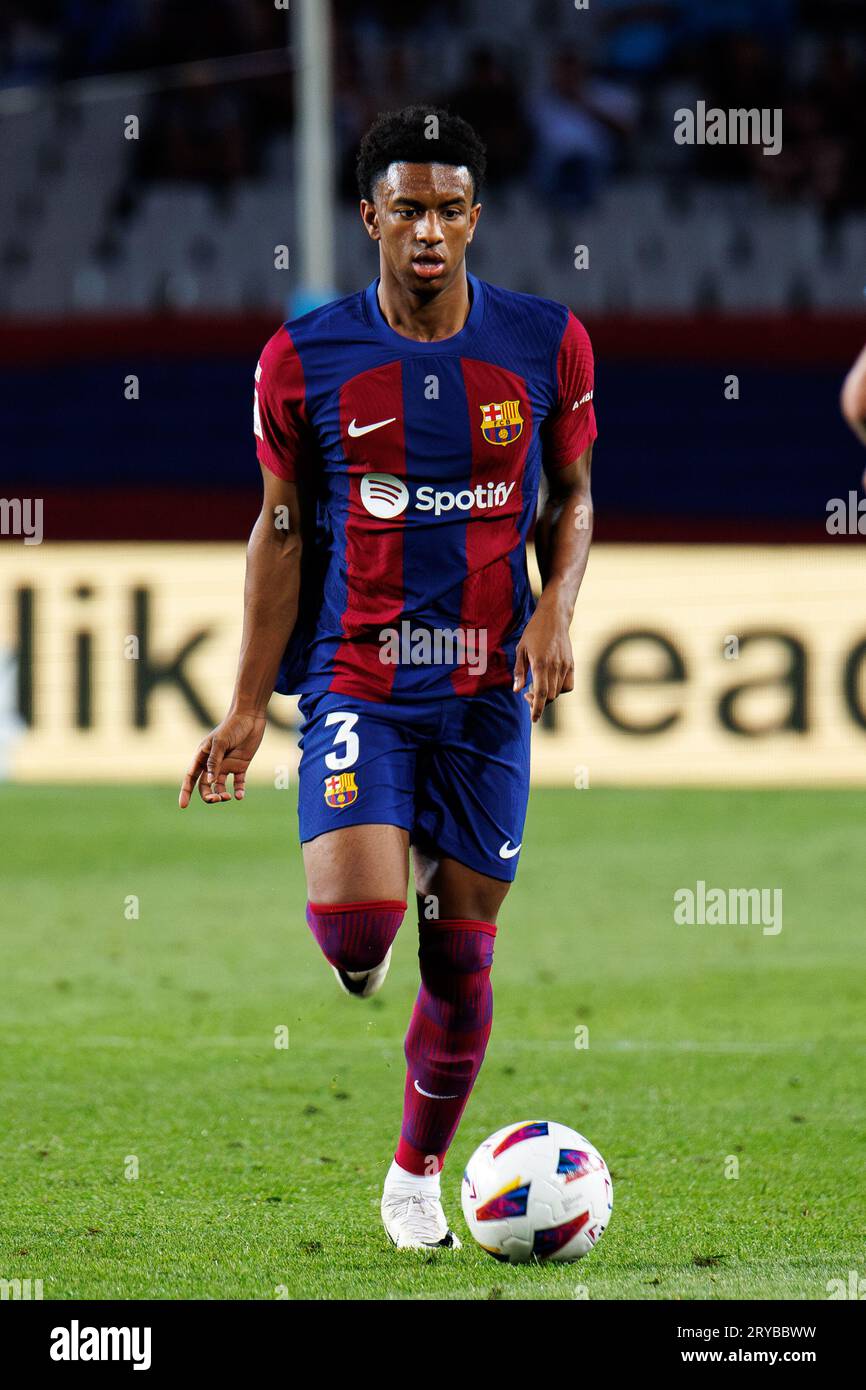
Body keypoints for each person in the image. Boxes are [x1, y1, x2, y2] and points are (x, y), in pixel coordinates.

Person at [179, 107, 597, 1250]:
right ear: (368, 216)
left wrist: (554, 606)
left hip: (481, 695)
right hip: (358, 679)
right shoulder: (302, 359)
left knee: (458, 963)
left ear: (476, 219)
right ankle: (383, 847)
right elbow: (276, 534)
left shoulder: (544, 342)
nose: (428, 230)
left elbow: (570, 498)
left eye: (450, 209)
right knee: (362, 941)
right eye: (406, 208)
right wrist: (240, 708)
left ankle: (414, 1176)